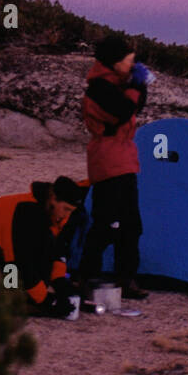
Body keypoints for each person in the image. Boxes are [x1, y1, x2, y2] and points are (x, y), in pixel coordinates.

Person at [74, 33, 152, 304]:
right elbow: (123, 111)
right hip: (108, 159)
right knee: (106, 223)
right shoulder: (99, 88)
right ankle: (85, 276)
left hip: (124, 157)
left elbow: (134, 107)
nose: (131, 64)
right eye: (127, 60)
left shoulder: (118, 83)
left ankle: (125, 278)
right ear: (114, 62)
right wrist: (137, 87)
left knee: (131, 223)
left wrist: (138, 86)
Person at [0, 175, 86, 317]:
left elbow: (57, 249)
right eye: (66, 209)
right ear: (53, 199)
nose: (66, 215)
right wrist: (45, 300)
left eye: (70, 210)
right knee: (11, 298)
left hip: (11, 255)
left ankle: (26, 297)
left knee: (44, 255)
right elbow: (17, 260)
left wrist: (59, 281)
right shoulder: (26, 212)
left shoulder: (54, 213)